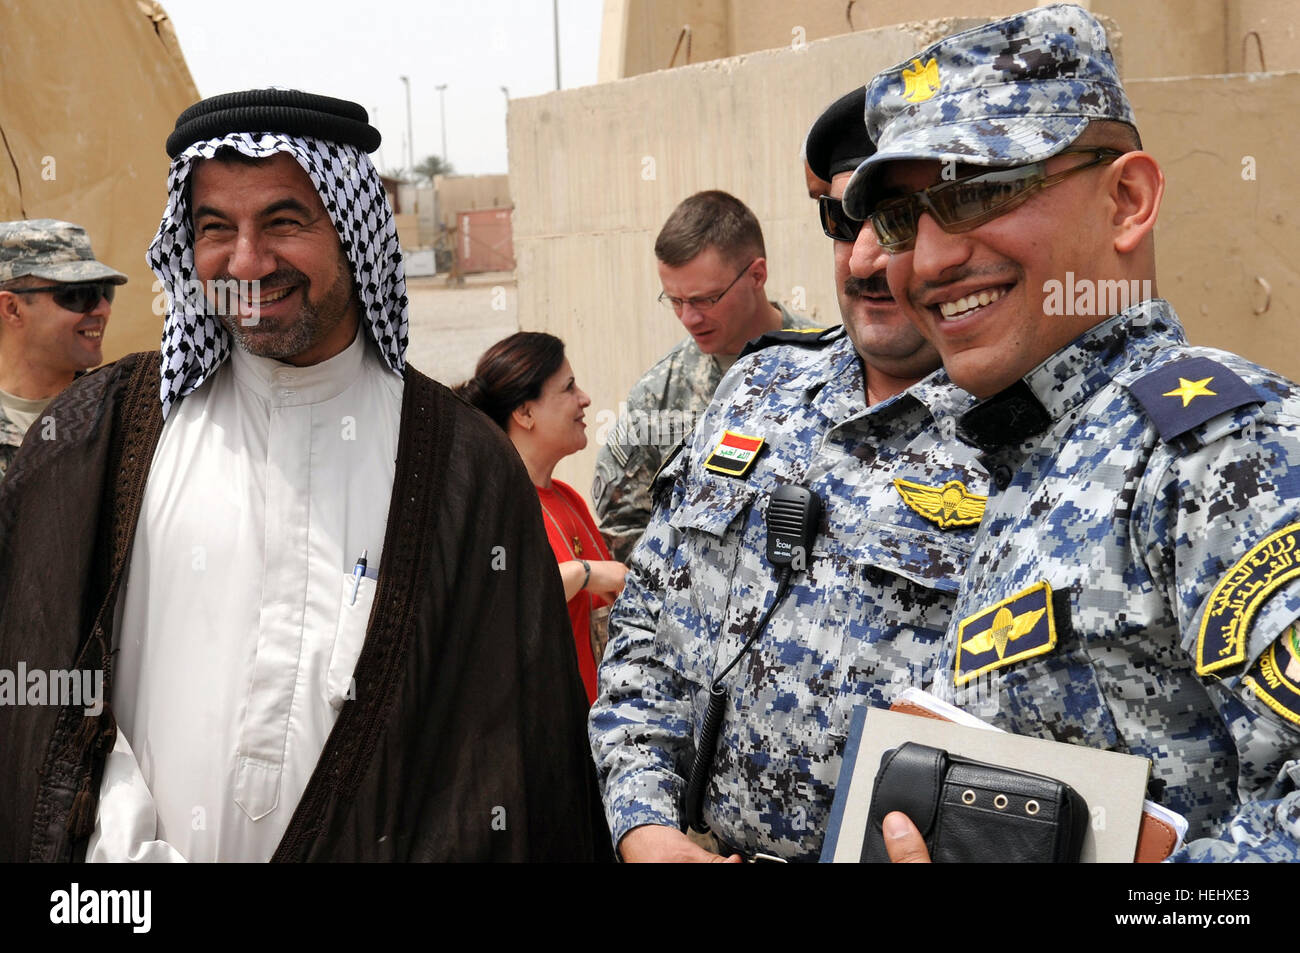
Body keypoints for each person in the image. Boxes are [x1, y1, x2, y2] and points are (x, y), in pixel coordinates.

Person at [0, 89, 609, 862]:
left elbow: (507, 759)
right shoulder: (104, 431)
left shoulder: (463, 464)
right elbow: (34, 697)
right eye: (214, 228)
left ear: (354, 231)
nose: (246, 261)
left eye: (284, 222)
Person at [838, 5, 1300, 862]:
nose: (928, 262)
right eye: (902, 219)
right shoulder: (1021, 448)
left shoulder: (1220, 450)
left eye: (981, 188)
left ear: (1127, 201)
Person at [589, 87, 988, 862]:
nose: (863, 259)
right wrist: (646, 825)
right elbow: (646, 628)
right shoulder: (756, 389)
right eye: (841, 219)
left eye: (898, 221)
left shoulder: (1034, 434)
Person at [591, 190, 817, 561]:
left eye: (704, 299)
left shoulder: (831, 366)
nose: (689, 318)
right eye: (675, 301)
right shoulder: (658, 396)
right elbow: (622, 525)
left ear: (757, 275)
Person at [457, 331, 627, 704]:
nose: (585, 398)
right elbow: (502, 606)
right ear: (525, 413)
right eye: (568, 388)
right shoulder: (491, 507)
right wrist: (584, 574)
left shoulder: (568, 498)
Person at [0, 219, 124, 480]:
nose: (103, 309)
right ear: (12, 308)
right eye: (78, 295)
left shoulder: (122, 418)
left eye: (105, 292)